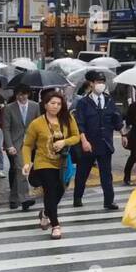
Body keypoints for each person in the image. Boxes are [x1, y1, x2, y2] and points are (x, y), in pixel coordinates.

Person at [21, 91, 80, 239]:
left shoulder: (68, 119)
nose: (56, 106)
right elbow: (27, 145)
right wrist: (27, 163)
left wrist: (64, 142)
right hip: (43, 162)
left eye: (59, 104)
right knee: (50, 190)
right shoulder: (37, 123)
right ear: (45, 104)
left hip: (63, 162)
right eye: (52, 103)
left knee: (60, 189)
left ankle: (46, 213)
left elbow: (76, 137)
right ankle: (55, 225)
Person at [72, 71, 123, 210]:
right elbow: (79, 123)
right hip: (88, 143)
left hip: (105, 143)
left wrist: (123, 134)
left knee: (106, 174)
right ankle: (77, 197)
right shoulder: (83, 102)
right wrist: (84, 140)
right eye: (97, 82)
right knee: (82, 172)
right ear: (91, 84)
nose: (100, 85)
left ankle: (109, 201)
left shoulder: (109, 100)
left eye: (102, 82)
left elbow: (116, 119)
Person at [1, 84, 38, 211]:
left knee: (19, 171)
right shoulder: (9, 108)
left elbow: (38, 124)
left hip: (30, 143)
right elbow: (5, 128)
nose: (22, 97)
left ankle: (13, 199)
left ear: (28, 94)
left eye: (24, 94)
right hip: (15, 144)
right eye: (19, 94)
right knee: (21, 169)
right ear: (16, 95)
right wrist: (9, 145)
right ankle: (25, 199)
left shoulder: (35, 106)